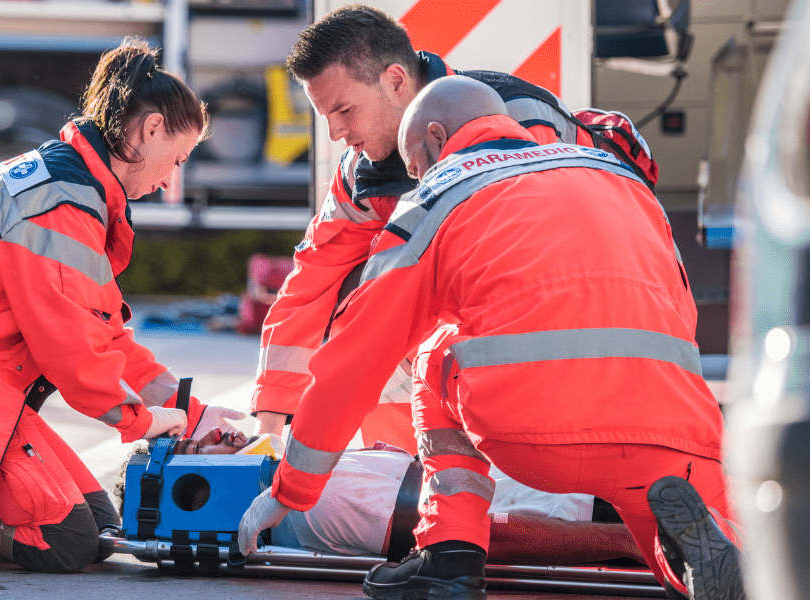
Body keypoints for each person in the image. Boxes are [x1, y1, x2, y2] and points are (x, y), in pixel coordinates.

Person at [238, 77, 745, 600]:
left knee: (436, 351)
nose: (416, 179)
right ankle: (716, 560)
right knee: (681, 543)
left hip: (536, 434)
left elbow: (358, 354)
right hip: (676, 432)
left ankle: (449, 555)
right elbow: (679, 310)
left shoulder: (443, 191)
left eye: (415, 167)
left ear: (436, 139)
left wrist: (292, 487)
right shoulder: (617, 174)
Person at [0, 39, 244, 574]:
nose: (168, 181)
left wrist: (193, 415)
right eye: (176, 160)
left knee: (100, 531)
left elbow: (105, 335)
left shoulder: (74, 189)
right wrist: (144, 421)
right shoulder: (61, 203)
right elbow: (76, 354)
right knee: (66, 542)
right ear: (151, 129)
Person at [252, 4, 591, 452]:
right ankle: (401, 476)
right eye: (325, 116)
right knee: (355, 305)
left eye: (344, 110)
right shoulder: (361, 171)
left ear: (395, 81)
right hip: (494, 334)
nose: (335, 133)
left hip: (565, 336)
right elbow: (311, 283)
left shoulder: (520, 119)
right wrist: (268, 434)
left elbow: (548, 268)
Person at [162, 432, 641, 565]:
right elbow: (476, 538)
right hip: (583, 509)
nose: (216, 432)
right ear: (195, 484)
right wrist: (625, 540)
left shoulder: (300, 482)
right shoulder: (309, 507)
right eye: (197, 448)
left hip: (580, 488)